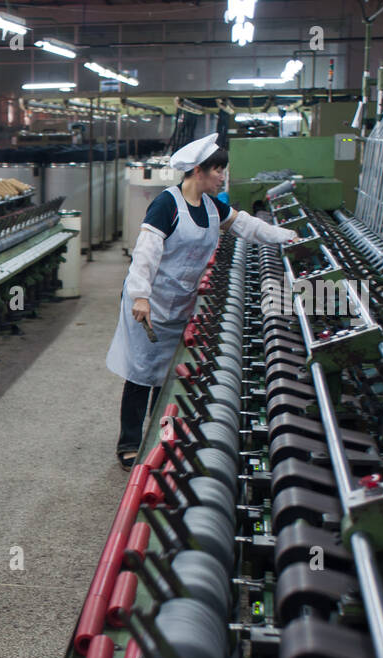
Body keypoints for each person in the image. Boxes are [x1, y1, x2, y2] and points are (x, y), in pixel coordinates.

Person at [105, 133, 298, 470]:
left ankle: (162, 440)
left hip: (180, 305)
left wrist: (289, 236)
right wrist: (140, 296)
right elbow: (145, 255)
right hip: (149, 304)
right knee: (141, 375)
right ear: (198, 170)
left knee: (168, 383)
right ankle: (130, 444)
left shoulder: (212, 207)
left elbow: (248, 226)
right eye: (218, 170)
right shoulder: (167, 204)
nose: (223, 176)